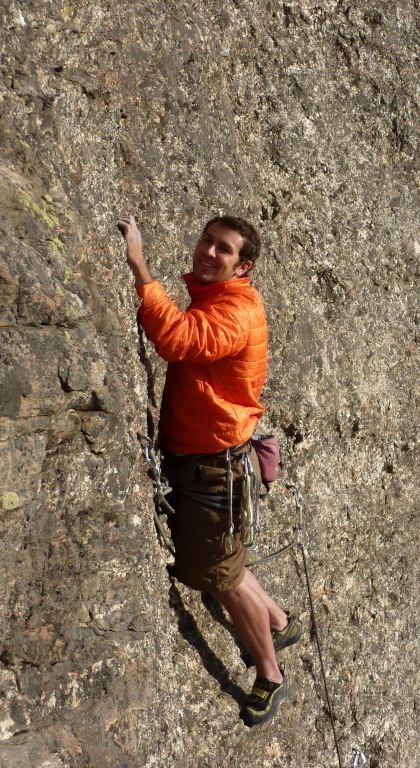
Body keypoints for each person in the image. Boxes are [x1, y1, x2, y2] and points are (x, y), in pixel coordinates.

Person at [118, 213, 301, 727]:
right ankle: (280, 623)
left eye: (223, 249)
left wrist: (138, 265)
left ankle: (270, 673)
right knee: (227, 559)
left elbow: (179, 340)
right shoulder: (220, 297)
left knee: (223, 576)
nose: (208, 252)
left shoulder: (235, 310)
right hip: (211, 458)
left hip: (211, 467)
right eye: (207, 241)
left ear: (243, 267)